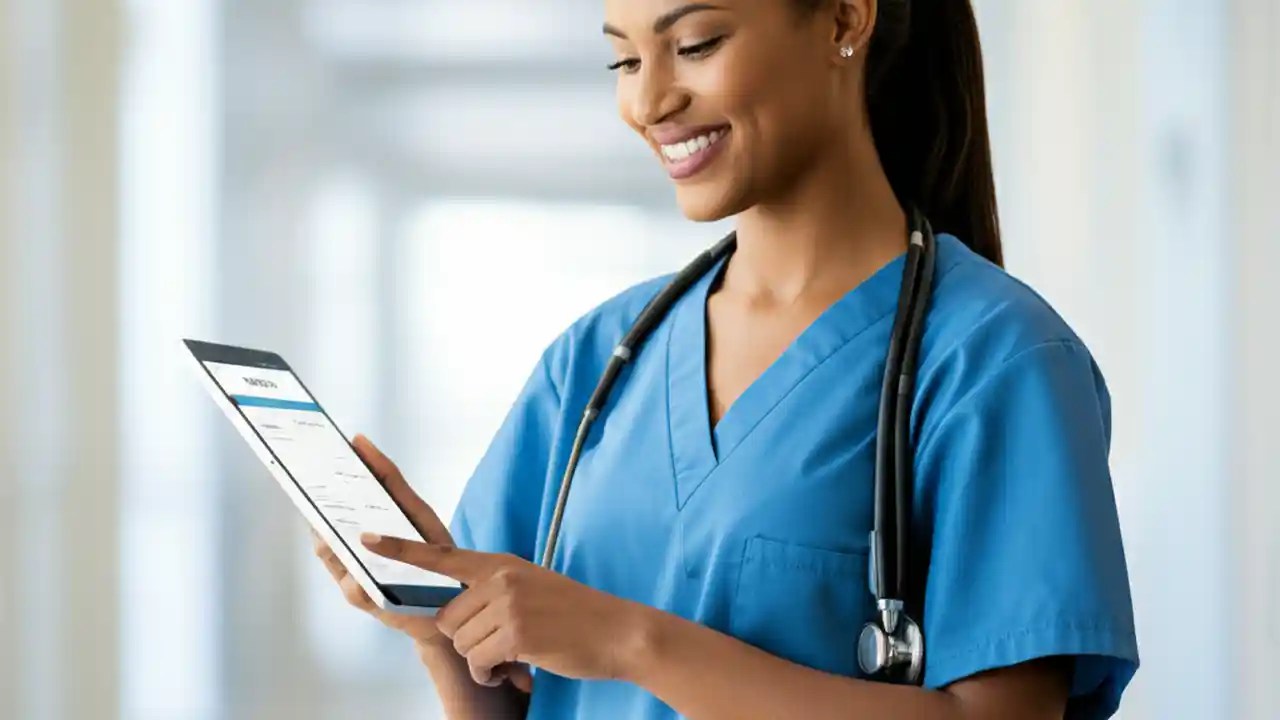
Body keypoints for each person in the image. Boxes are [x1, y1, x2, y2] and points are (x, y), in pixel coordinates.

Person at [311, 0, 1140, 717]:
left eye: (696, 44)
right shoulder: (598, 361)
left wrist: (632, 641)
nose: (650, 98)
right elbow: (527, 701)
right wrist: (439, 635)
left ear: (846, 19)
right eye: (624, 57)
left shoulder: (995, 361)